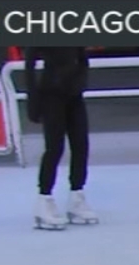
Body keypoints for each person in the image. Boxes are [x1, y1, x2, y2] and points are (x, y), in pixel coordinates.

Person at [25, 47, 97, 230]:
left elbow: (82, 58)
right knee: (55, 148)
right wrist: (33, 102)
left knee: (81, 145)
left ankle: (76, 196)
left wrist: (81, 82)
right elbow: (29, 67)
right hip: (51, 95)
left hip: (74, 95)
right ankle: (44, 199)